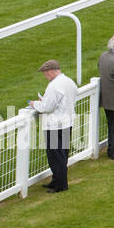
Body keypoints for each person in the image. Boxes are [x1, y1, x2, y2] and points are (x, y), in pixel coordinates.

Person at [31, 59, 78, 191]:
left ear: (51, 71)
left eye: (45, 74)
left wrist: (35, 104)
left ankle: (60, 185)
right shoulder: (69, 81)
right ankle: (57, 180)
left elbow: (47, 106)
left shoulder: (54, 86)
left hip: (54, 126)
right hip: (67, 122)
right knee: (62, 155)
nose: (45, 76)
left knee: (56, 157)